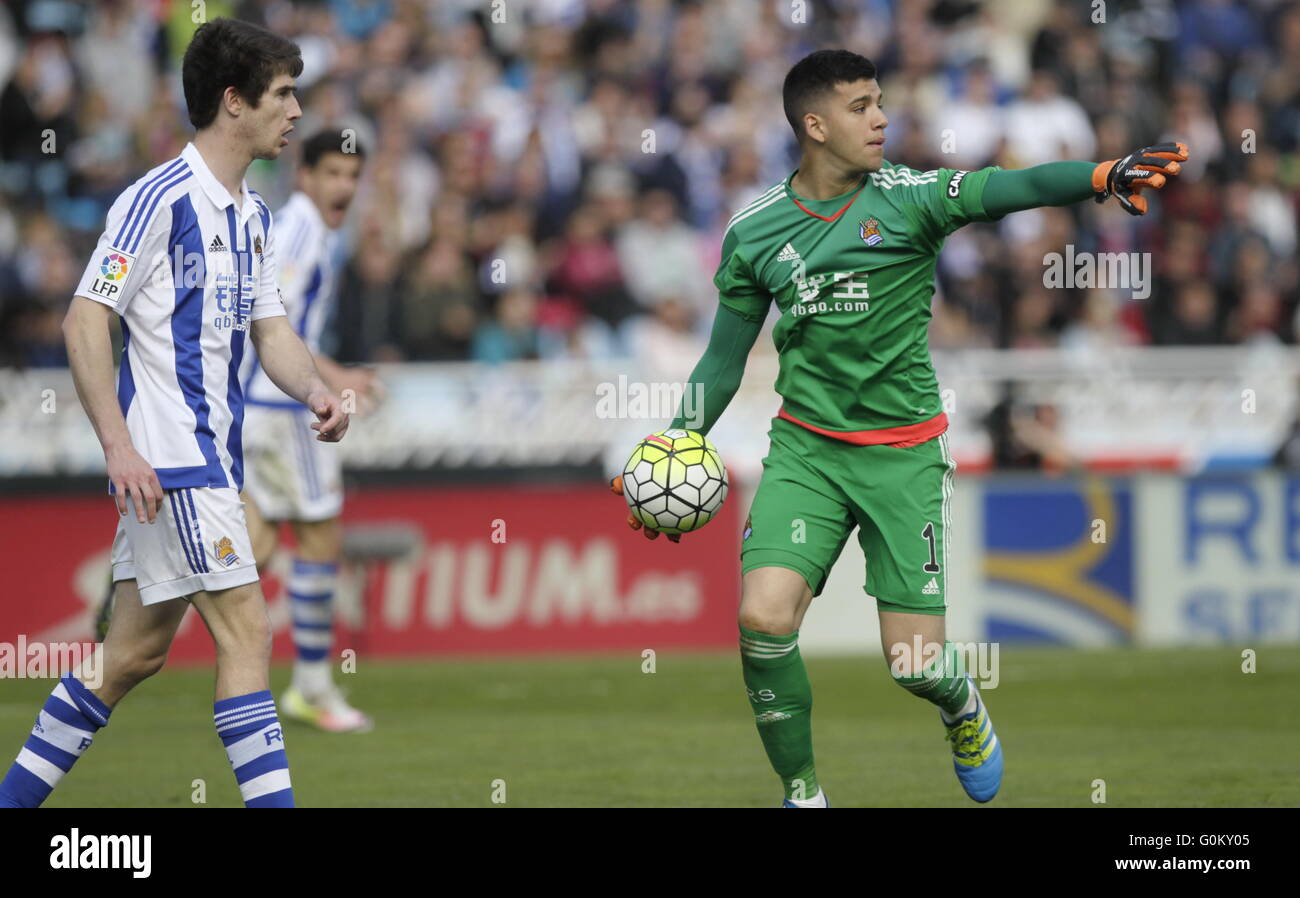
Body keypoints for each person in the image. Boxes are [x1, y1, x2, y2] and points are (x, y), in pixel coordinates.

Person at [612, 49, 1187, 807]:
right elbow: (722, 363)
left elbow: (1008, 188)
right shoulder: (756, 230)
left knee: (915, 663)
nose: (881, 117)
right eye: (860, 106)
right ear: (814, 125)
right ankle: (804, 794)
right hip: (807, 450)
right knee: (761, 616)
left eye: (880, 101)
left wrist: (1099, 174)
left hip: (904, 454)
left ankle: (961, 706)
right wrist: (674, 445)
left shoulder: (913, 196)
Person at [0, 18, 349, 808]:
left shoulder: (253, 216)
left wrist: (317, 392)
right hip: (173, 461)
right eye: (284, 94)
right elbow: (86, 319)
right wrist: (120, 449)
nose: (297, 111)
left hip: (199, 463)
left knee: (126, 659)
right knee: (249, 633)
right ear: (234, 102)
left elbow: (273, 332)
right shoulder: (155, 199)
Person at [240, 129, 377, 733]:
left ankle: (150, 590)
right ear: (306, 177)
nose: (343, 187)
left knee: (260, 543)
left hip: (264, 408)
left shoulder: (312, 229)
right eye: (331, 174)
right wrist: (338, 373)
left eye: (352, 177)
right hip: (284, 408)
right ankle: (313, 689)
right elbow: (277, 321)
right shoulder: (298, 228)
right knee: (320, 537)